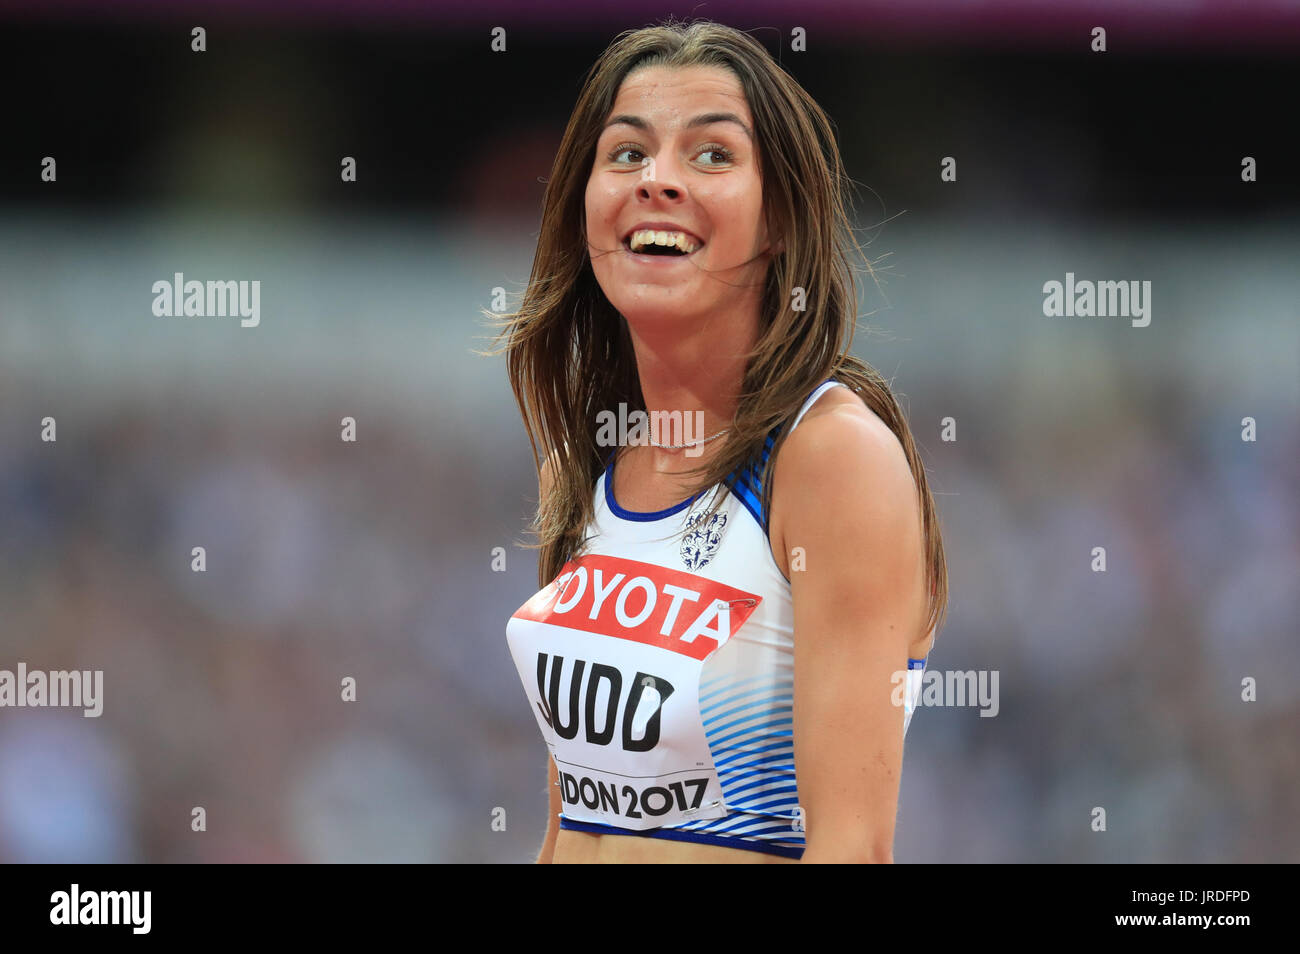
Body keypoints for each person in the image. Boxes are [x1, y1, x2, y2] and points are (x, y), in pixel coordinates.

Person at [494, 18, 948, 863]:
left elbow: (853, 847)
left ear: (778, 221)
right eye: (625, 154)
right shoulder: (591, 457)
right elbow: (573, 826)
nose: (657, 180)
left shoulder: (831, 457)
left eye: (711, 155)